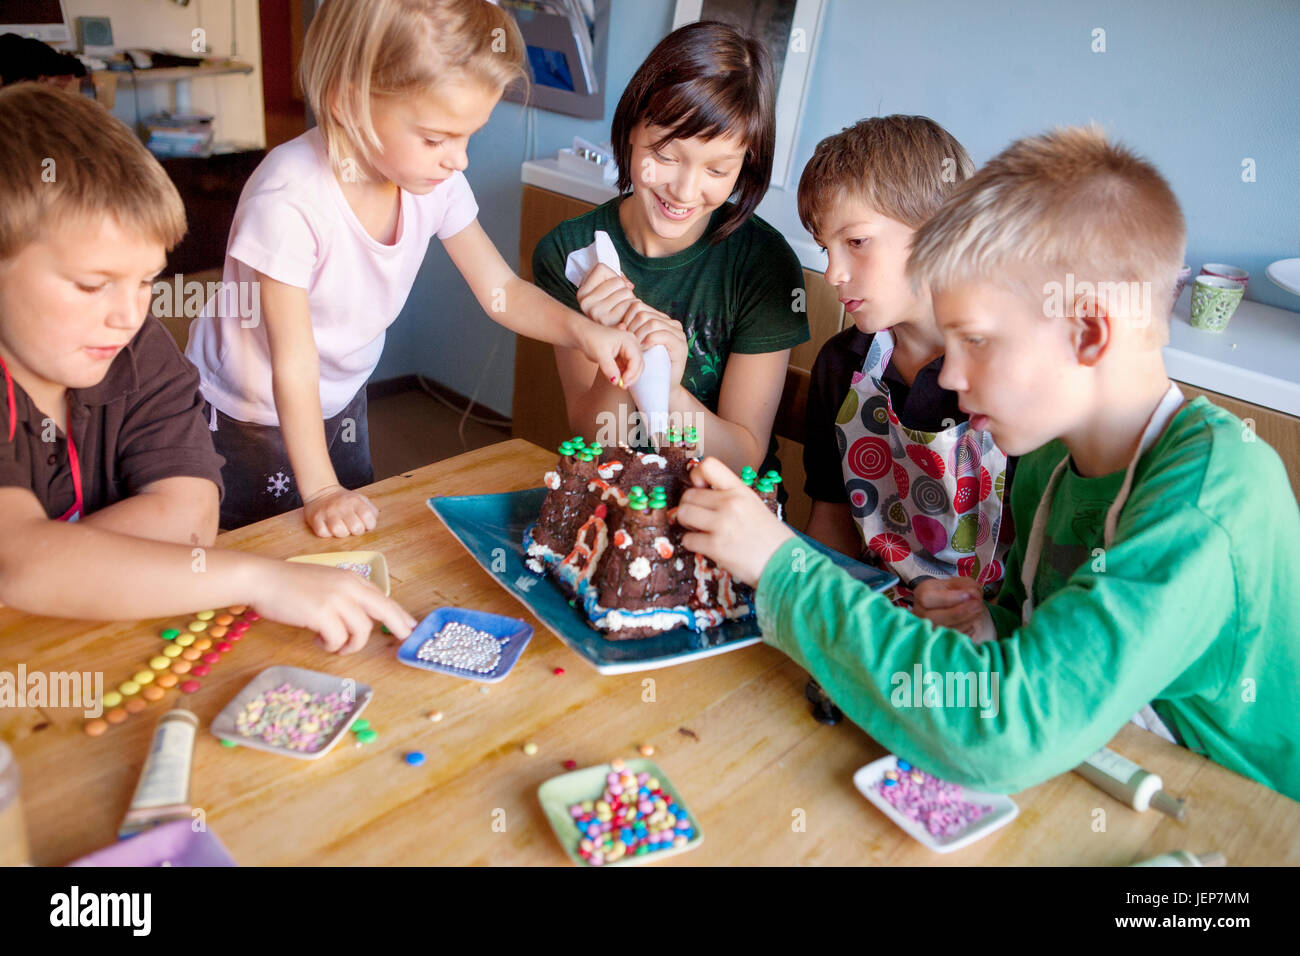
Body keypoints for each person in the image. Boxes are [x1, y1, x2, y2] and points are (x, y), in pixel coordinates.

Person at [678, 126, 1300, 800]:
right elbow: (1060, 648)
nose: (948, 377)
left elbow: (1005, 726)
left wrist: (782, 568)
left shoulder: (1214, 495)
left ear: (1088, 332)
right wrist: (990, 626)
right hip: (1102, 768)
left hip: (1239, 815)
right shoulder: (1058, 462)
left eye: (975, 340)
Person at [186, 0, 643, 533]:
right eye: (435, 138)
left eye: (469, 135)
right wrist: (323, 488)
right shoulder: (288, 200)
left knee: (344, 535)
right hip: (245, 413)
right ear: (346, 100)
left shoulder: (435, 181)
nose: (459, 159)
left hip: (339, 399)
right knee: (259, 545)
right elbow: (293, 361)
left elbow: (502, 291)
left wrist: (582, 331)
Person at [0, 83, 414, 653]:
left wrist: (54, 561)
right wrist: (260, 578)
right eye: (93, 285)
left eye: (147, 282)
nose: (128, 315)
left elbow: (192, 519)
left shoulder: (137, 348)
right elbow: (21, 566)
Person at [532, 21, 808, 481]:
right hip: (617, 498)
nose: (684, 190)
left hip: (723, 507)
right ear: (631, 128)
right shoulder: (570, 253)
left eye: (717, 170)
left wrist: (670, 390)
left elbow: (743, 460)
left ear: (746, 166)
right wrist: (617, 351)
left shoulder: (765, 266)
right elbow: (590, 440)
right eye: (665, 154)